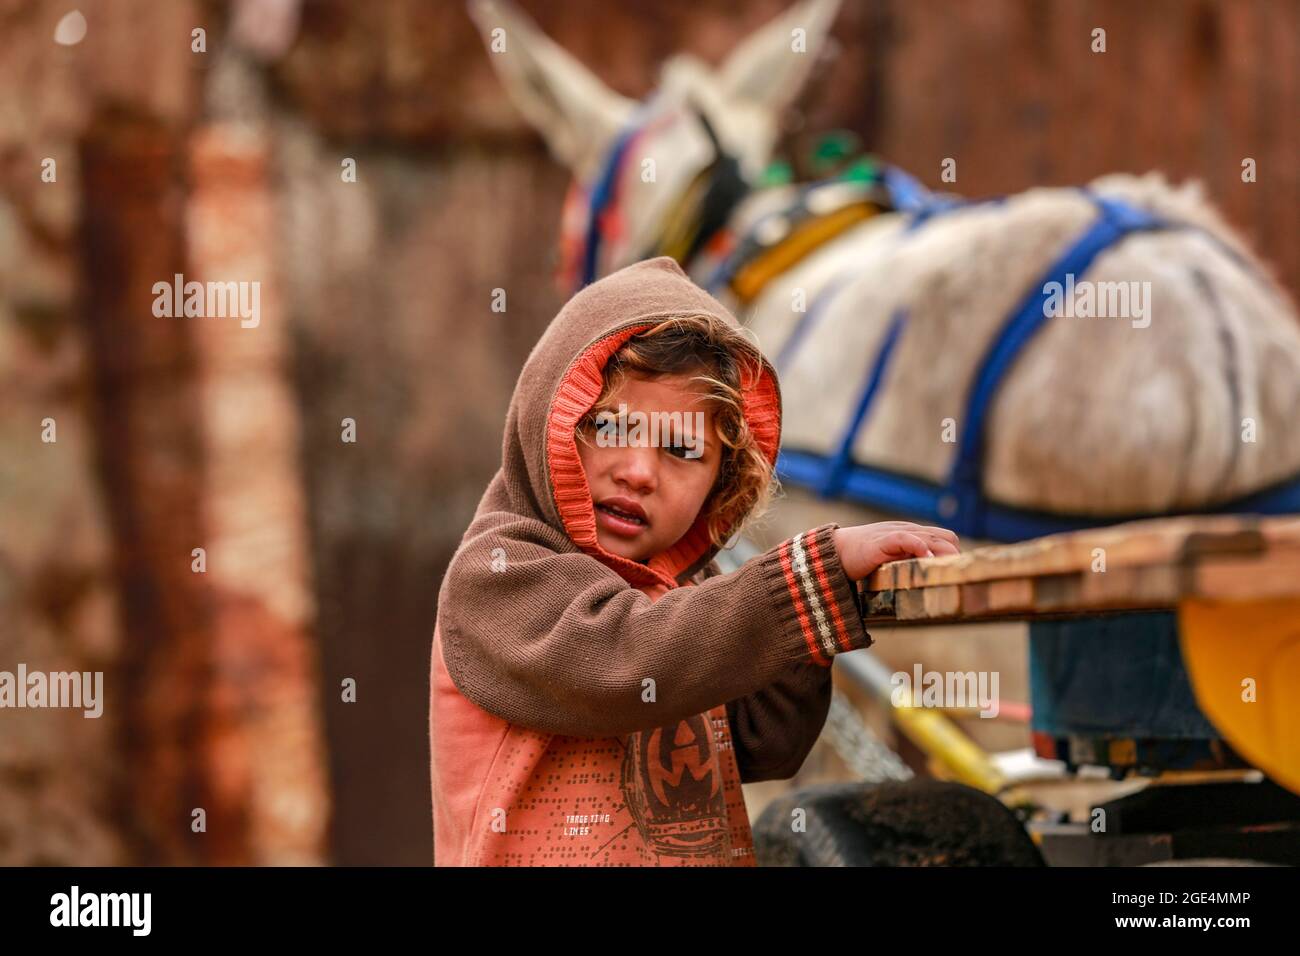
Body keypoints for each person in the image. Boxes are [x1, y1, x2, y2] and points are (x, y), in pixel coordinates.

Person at [429, 256, 958, 866]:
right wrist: (810, 578)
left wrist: (814, 624)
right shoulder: (499, 572)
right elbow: (624, 657)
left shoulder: (692, 595)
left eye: (682, 449)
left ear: (721, 483)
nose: (639, 472)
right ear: (548, 423)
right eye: (609, 427)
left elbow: (768, 744)